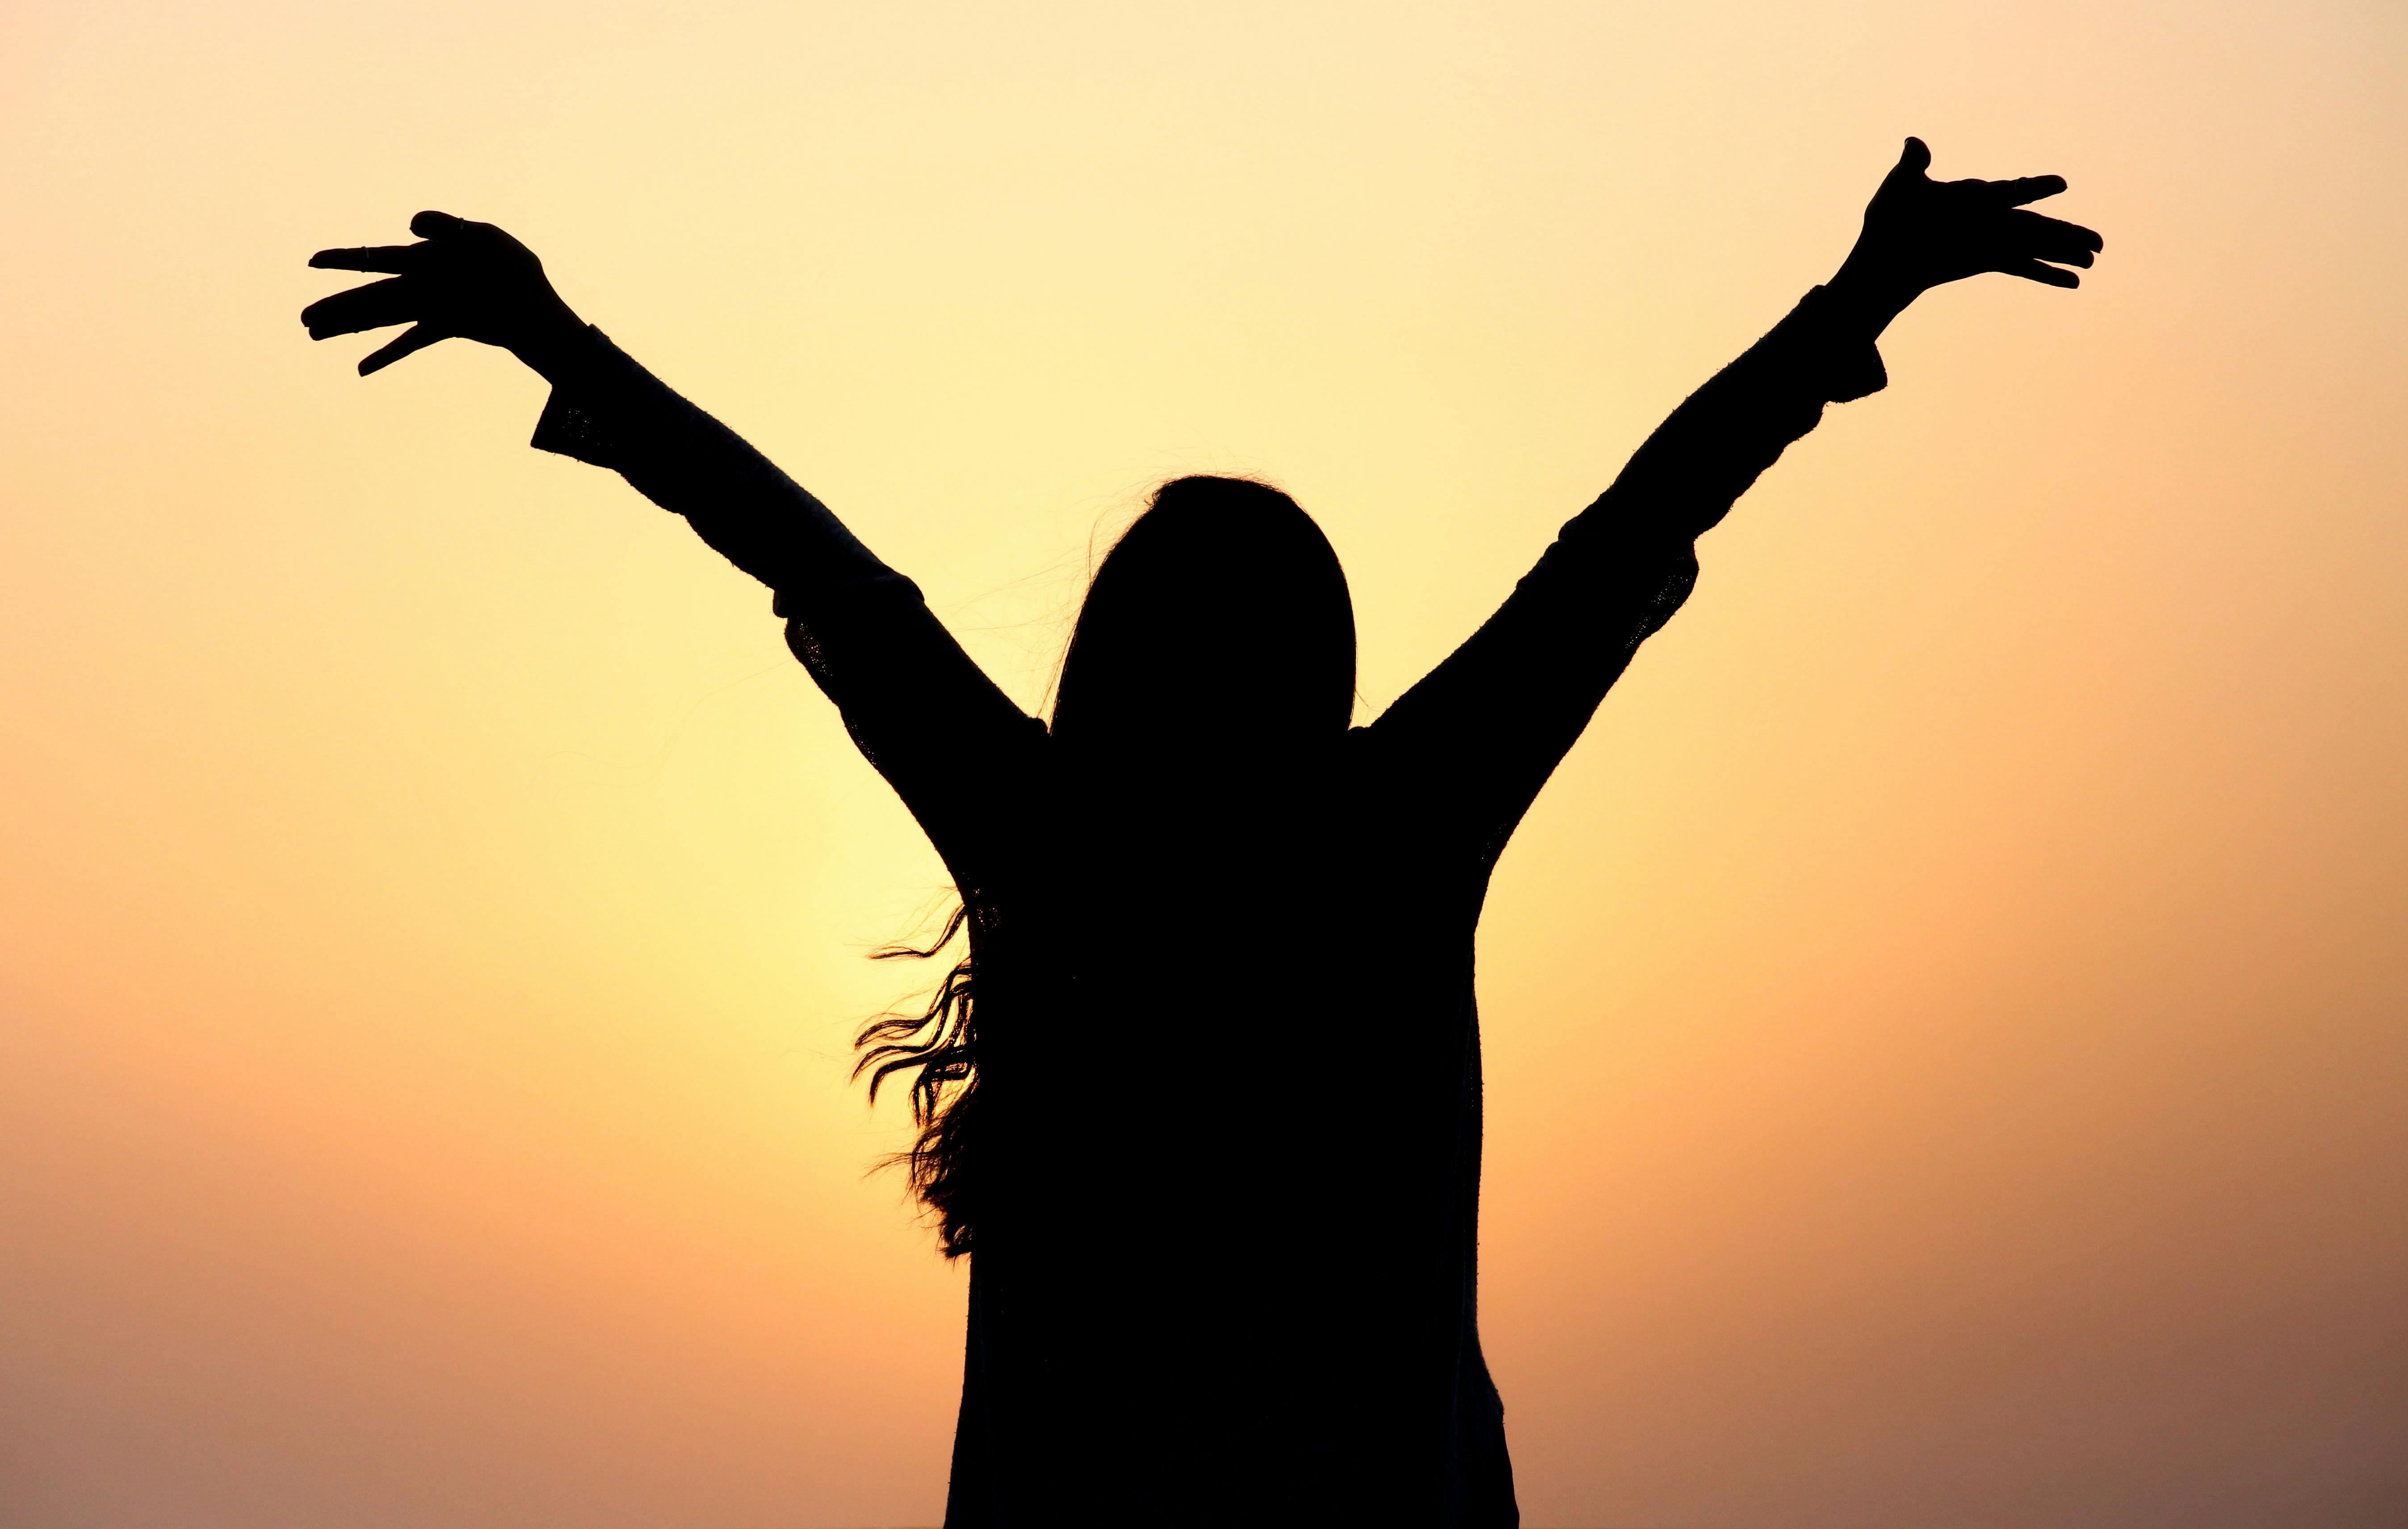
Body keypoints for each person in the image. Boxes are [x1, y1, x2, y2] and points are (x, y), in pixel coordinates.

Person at [302, 138, 2099, 1528]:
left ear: (1114, 662)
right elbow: (1625, 538)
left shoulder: (1050, 829)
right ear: (1319, 668)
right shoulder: (1386, 828)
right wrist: (1854, 303)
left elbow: (810, 557)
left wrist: (557, 339)